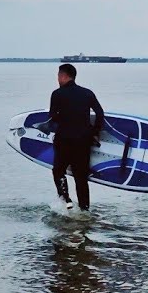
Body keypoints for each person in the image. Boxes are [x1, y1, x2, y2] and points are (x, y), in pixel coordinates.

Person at [46, 63, 105, 212]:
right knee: (81, 178)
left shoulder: (57, 94)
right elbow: (100, 113)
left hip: (64, 141)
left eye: (58, 76)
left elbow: (52, 118)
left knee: (58, 171)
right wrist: (95, 132)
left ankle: (67, 202)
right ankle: (85, 210)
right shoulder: (87, 93)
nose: (58, 79)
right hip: (83, 142)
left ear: (63, 76)